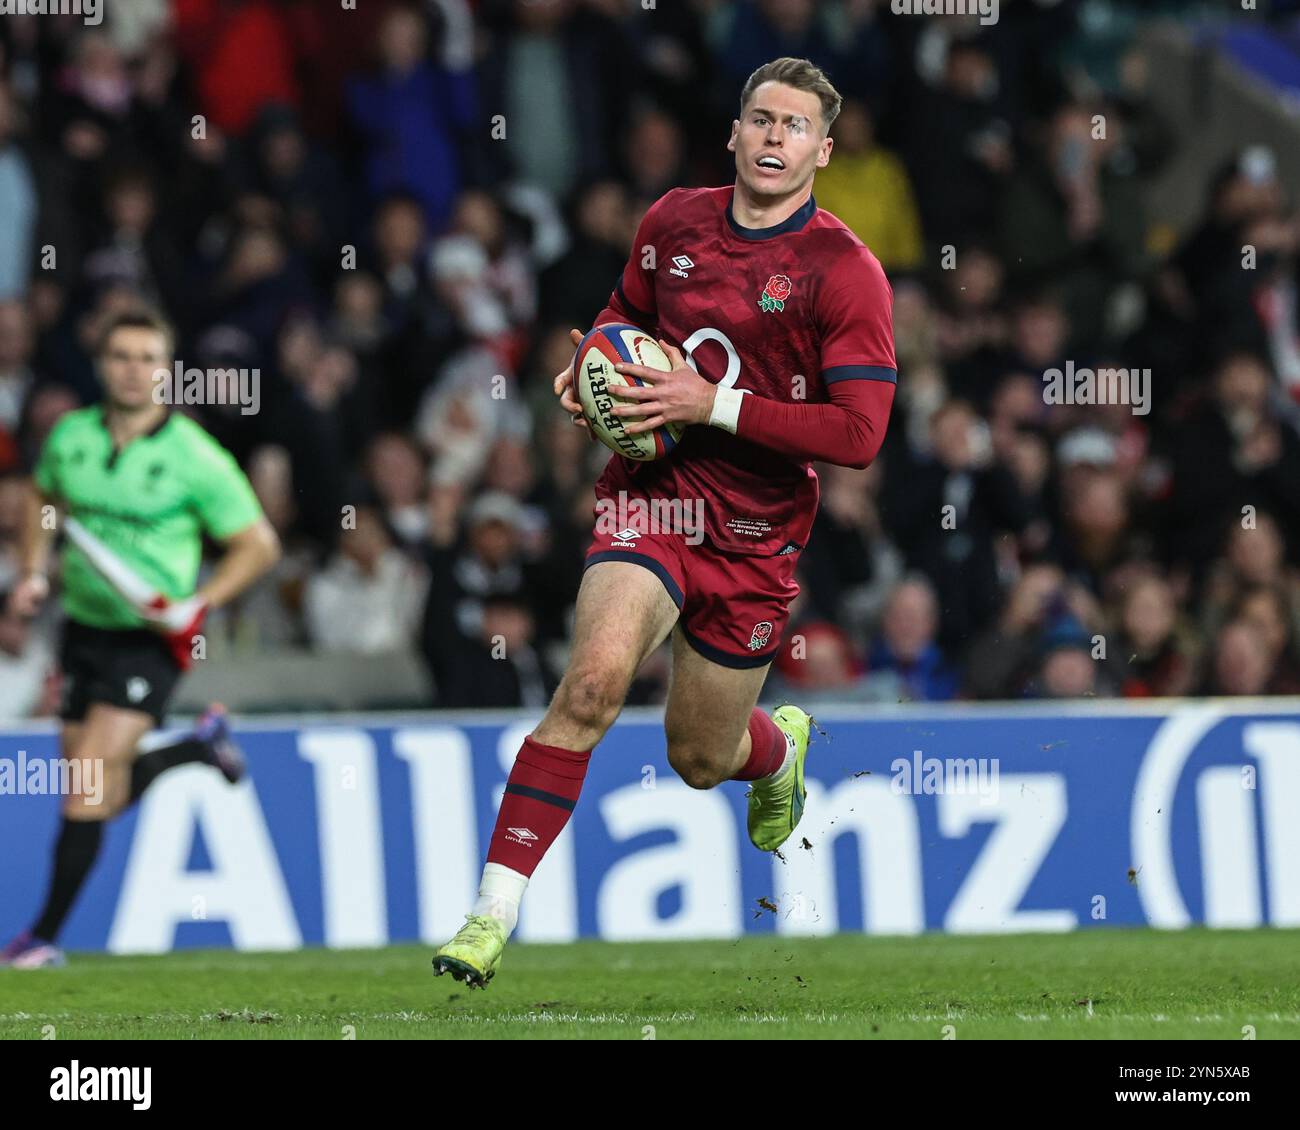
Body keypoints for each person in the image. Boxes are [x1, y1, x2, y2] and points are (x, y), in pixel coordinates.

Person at [434, 56, 896, 987]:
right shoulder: (673, 222)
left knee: (698, 755)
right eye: (760, 119)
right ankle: (490, 913)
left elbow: (860, 433)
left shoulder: (845, 272)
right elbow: (623, 316)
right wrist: (590, 375)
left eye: (794, 126)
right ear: (733, 133)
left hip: (759, 533)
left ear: (823, 150)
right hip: (654, 499)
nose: (773, 138)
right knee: (594, 684)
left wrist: (709, 399)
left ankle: (777, 748)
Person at [0, 310, 280, 968]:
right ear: (102, 365)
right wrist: (34, 573)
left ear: (166, 369)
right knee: (99, 790)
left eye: (147, 357)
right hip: (83, 631)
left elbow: (259, 544)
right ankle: (195, 750)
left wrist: (197, 604)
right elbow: (43, 501)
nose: (133, 369)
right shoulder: (70, 435)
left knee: (86, 787)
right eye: (120, 356)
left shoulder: (194, 456)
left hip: (150, 641)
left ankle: (38, 940)